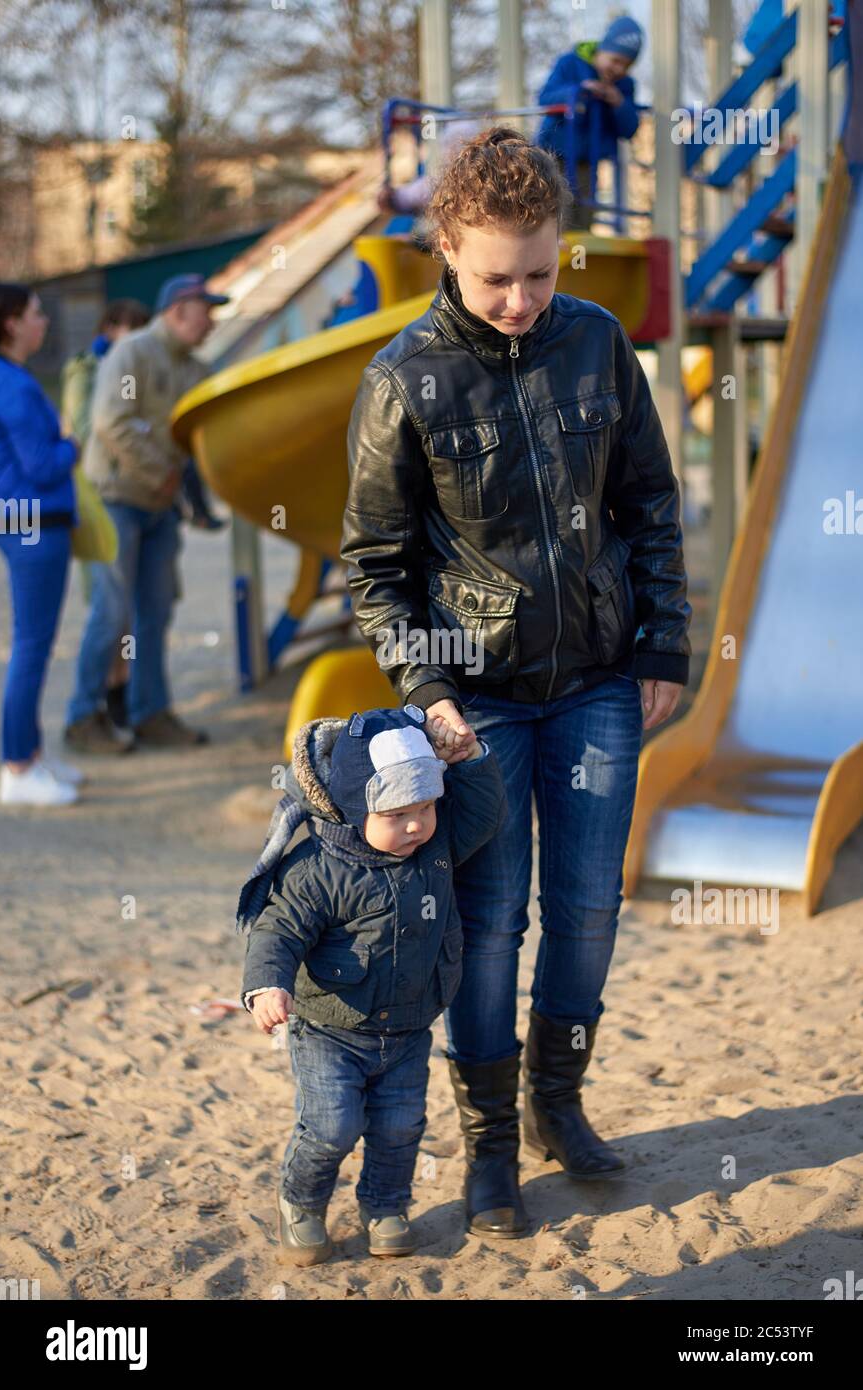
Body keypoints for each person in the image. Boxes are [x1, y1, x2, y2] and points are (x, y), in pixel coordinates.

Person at [341, 128, 691, 1238]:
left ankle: (559, 1103)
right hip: (473, 701)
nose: (522, 298)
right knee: (491, 924)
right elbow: (374, 566)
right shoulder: (402, 379)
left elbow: (650, 504)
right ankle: (490, 1143)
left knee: (586, 913)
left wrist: (665, 645)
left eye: (542, 272)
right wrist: (427, 690)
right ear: (445, 247)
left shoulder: (597, 342)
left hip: (595, 680)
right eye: (496, 277)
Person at [238, 704, 506, 1262]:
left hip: (409, 1027)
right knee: (332, 1127)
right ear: (356, 809)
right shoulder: (317, 868)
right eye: (398, 813)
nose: (416, 824)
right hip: (331, 1030)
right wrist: (267, 985)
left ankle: (385, 1205)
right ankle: (302, 1203)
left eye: (427, 806)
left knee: (400, 1127)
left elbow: (482, 814)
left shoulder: (433, 852)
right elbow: (279, 929)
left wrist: (472, 757)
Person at [64, 273, 229, 753]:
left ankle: (149, 713)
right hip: (116, 500)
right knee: (112, 610)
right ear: (178, 310)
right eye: (206, 309)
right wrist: (163, 472)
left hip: (160, 507)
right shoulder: (132, 352)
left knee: (155, 611)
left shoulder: (195, 369)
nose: (212, 320)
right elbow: (111, 422)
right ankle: (83, 717)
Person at [0, 284, 82, 807]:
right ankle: (17, 766)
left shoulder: (11, 379)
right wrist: (72, 443)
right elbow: (41, 464)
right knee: (31, 644)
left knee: (33, 642)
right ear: (9, 323)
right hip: (35, 520)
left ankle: (30, 754)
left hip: (22, 518)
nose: (42, 322)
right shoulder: (15, 386)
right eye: (34, 314)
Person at [61, 298, 151, 736]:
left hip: (129, 496)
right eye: (128, 329)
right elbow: (82, 432)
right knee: (108, 607)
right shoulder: (88, 370)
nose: (134, 339)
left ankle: (121, 694)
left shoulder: (132, 366)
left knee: (127, 612)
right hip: (97, 498)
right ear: (109, 327)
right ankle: (92, 705)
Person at [535, 14, 643, 230]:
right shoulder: (570, 64)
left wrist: (618, 103)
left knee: (583, 215)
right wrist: (578, 91)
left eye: (627, 65)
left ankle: (579, 258)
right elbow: (545, 98)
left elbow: (629, 128)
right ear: (601, 49)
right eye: (615, 60)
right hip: (554, 153)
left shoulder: (624, 85)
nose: (619, 70)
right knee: (552, 209)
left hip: (588, 161)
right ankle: (551, 253)